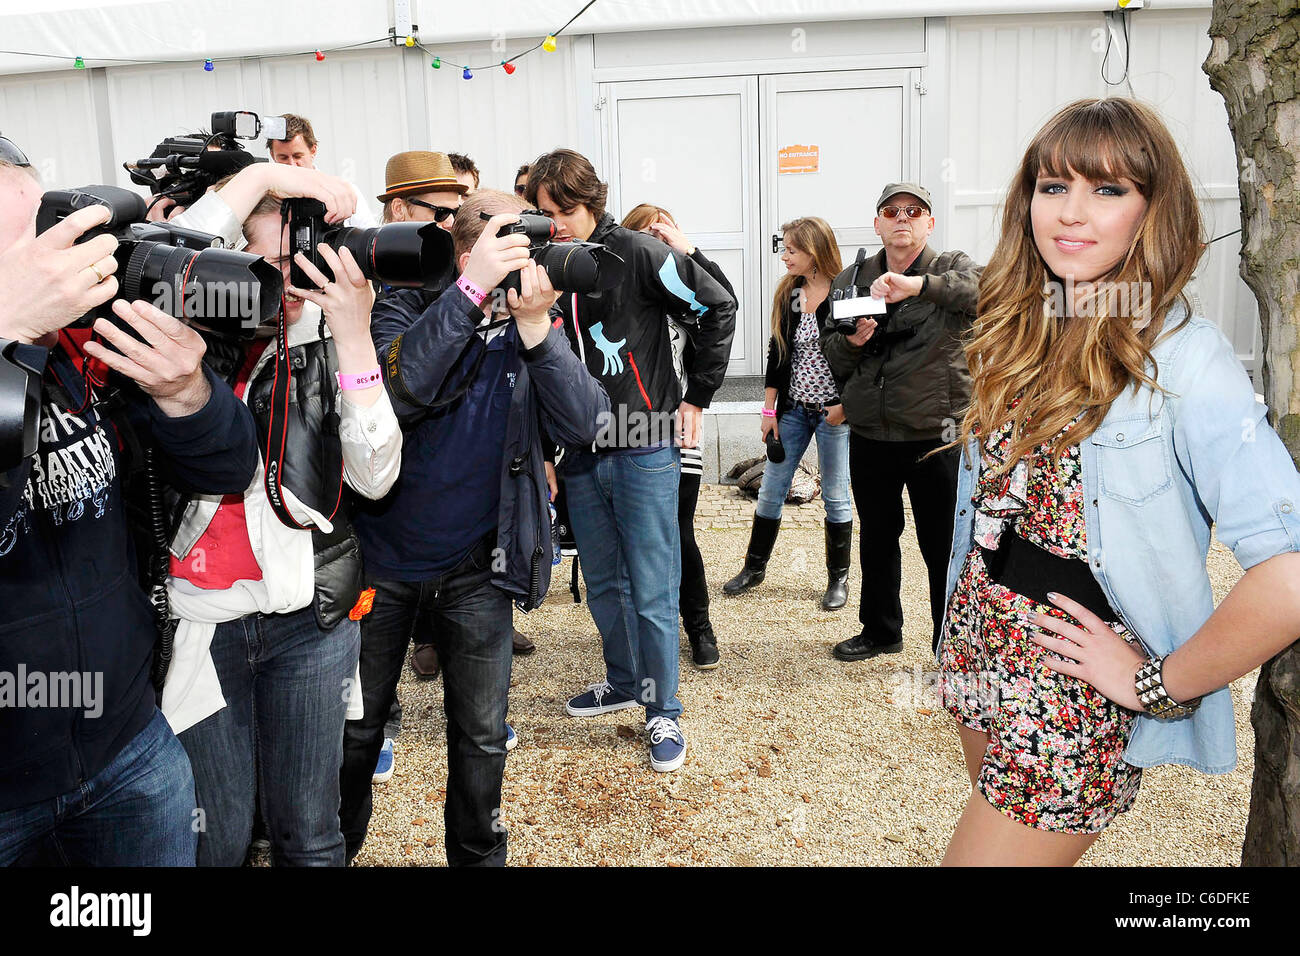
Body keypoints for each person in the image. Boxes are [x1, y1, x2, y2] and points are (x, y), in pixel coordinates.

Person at [936, 97, 1300, 866]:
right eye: (1052, 185)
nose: (1070, 213)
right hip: (980, 646)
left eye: (1107, 190)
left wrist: (1160, 683)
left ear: (1151, 211)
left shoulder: (1185, 362)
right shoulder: (1019, 327)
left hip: (1074, 696)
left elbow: (1291, 574)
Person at [0, 142, 259, 866]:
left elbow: (228, 469)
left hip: (128, 749)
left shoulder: (79, 350)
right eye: (18, 251)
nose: (53, 265)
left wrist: (187, 394)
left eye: (48, 232)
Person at [339, 188, 609, 866]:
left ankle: (479, 857)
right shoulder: (404, 297)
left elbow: (589, 426)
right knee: (357, 732)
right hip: (380, 561)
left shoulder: (529, 316)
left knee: (482, 736)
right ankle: (331, 850)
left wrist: (538, 333)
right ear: (467, 251)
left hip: (477, 567)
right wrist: (468, 292)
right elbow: (398, 391)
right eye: (503, 243)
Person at [160, 192, 403, 866]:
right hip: (201, 622)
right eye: (263, 264)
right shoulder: (181, 338)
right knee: (221, 835)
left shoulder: (328, 341)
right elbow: (164, 246)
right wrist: (259, 172)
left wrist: (353, 334)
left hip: (307, 617)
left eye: (300, 263)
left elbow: (377, 476)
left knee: (309, 831)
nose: (283, 282)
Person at [526, 149, 736, 772]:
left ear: (590, 201)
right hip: (580, 450)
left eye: (562, 211)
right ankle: (624, 682)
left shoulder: (641, 254)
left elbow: (715, 305)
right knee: (603, 583)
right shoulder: (545, 264)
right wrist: (546, 450)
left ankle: (663, 709)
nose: (554, 223)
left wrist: (697, 396)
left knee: (651, 588)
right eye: (545, 213)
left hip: (645, 443)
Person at [821, 182, 981, 661]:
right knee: (877, 534)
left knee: (942, 544)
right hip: (872, 433)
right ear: (877, 224)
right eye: (891, 211)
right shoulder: (851, 280)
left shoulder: (949, 269)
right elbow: (831, 356)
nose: (902, 219)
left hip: (936, 434)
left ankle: (947, 643)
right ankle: (880, 630)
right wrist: (851, 343)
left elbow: (988, 292)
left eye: (914, 211)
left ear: (929, 223)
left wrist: (918, 286)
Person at [621, 203, 736, 668]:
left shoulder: (680, 287)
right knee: (629, 539)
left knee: (677, 531)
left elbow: (724, 301)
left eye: (661, 234)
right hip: (623, 428)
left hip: (678, 426)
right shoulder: (620, 283)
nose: (654, 241)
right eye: (644, 234)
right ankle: (640, 637)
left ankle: (699, 627)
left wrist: (688, 251)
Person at [722, 216, 851, 611]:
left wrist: (846, 408)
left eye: (792, 250)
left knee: (835, 495)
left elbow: (865, 355)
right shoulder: (790, 293)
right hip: (793, 410)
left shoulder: (846, 291)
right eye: (785, 249)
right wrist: (769, 409)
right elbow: (778, 353)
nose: (784, 257)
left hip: (834, 413)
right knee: (772, 488)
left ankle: (838, 580)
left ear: (815, 251)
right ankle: (754, 568)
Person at [267, 112, 379, 227]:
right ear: (272, 155)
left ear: (313, 150)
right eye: (283, 158)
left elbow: (369, 237)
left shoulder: (343, 192)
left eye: (297, 156)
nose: (292, 165)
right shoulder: (264, 199)